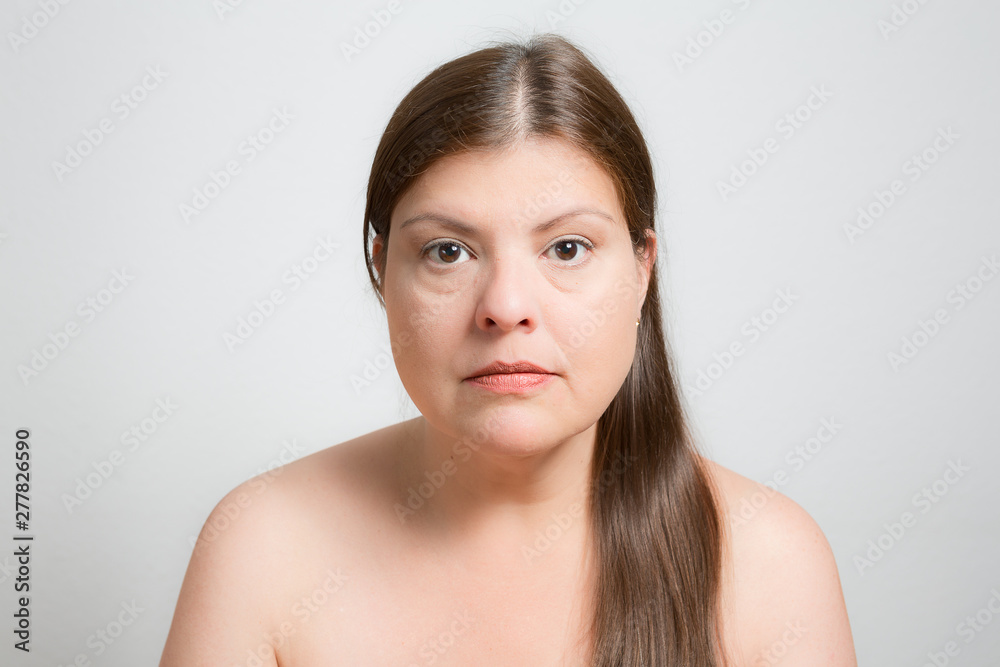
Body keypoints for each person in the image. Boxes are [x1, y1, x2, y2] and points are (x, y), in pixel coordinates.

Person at [159, 32, 857, 666]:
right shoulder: (262, 548)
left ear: (642, 269)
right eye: (448, 250)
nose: (506, 307)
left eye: (567, 247)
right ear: (381, 270)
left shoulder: (771, 564)